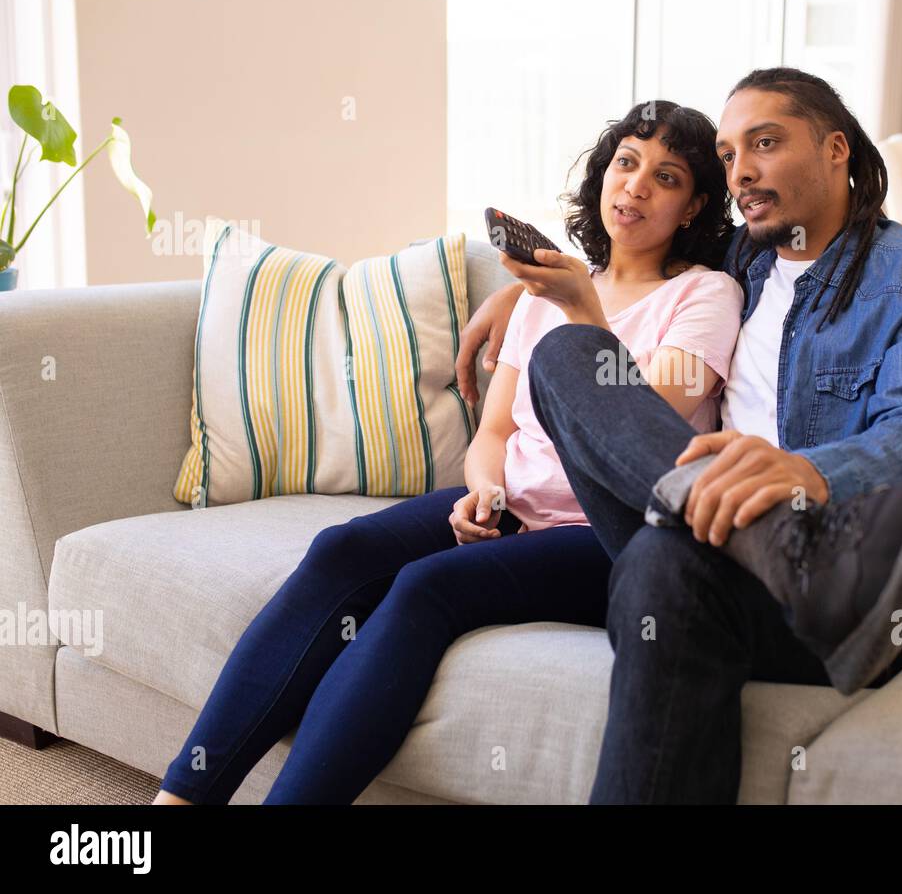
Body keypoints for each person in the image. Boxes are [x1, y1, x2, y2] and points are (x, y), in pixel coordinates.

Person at [455, 67, 902, 804]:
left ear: (836, 149)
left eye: (765, 144)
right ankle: (780, 550)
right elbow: (634, 257)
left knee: (659, 564)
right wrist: (525, 290)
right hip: (736, 542)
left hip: (859, 572)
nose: (742, 172)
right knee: (567, 354)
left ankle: (805, 558)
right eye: (731, 154)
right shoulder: (743, 256)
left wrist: (806, 472)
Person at [152, 99, 746, 804]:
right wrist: (483, 491)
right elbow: (496, 432)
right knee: (341, 552)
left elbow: (638, 419)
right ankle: (181, 798)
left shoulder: (706, 294)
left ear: (694, 206)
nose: (636, 185)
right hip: (513, 504)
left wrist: (582, 308)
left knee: (427, 588)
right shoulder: (542, 292)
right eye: (626, 162)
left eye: (667, 176)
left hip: (606, 533)